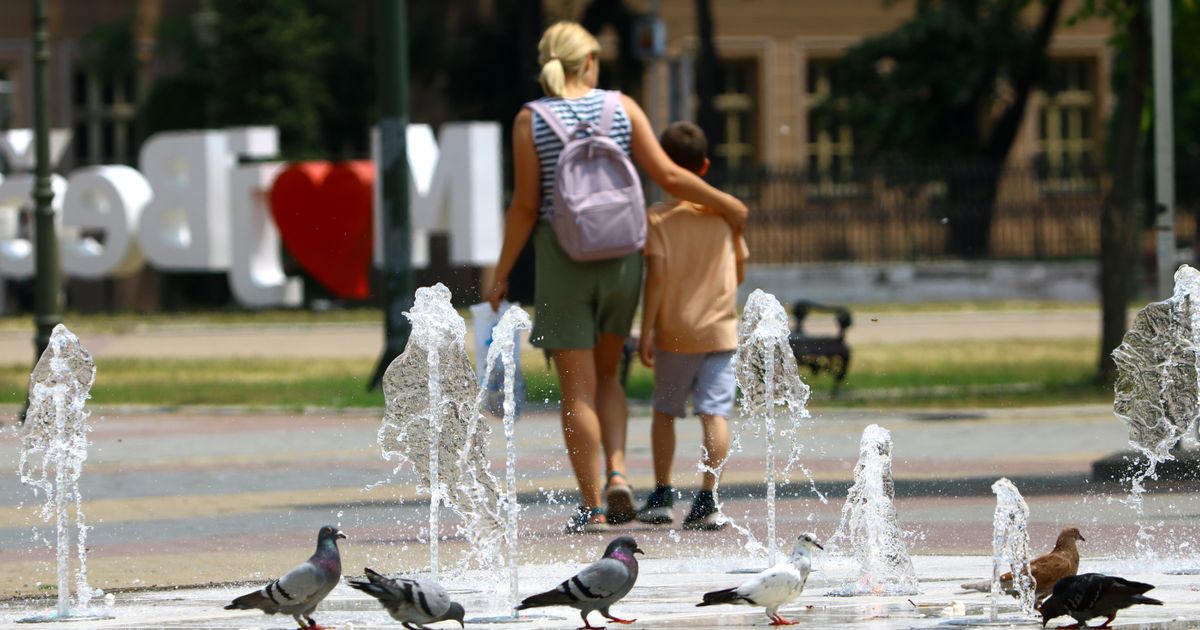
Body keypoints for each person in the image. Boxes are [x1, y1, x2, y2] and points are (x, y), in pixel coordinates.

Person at [484, 22, 748, 534]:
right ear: (589, 62)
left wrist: (501, 275)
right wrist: (727, 203)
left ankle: (593, 504)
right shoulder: (621, 108)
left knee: (576, 390)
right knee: (608, 377)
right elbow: (669, 176)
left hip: (562, 262)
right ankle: (619, 472)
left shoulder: (530, 120)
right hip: (622, 258)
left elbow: (523, 207)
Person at [635, 121, 748, 530]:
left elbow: (657, 278)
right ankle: (708, 496)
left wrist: (647, 329)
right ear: (704, 166)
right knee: (714, 414)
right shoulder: (722, 218)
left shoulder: (658, 219)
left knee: (665, 411)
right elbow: (739, 270)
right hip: (720, 332)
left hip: (675, 332)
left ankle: (663, 493)